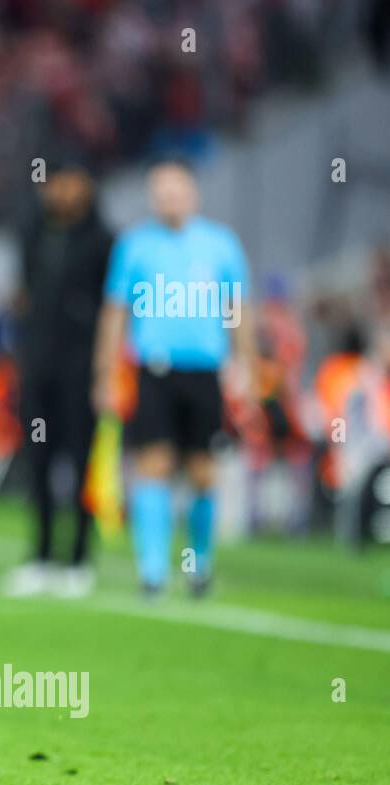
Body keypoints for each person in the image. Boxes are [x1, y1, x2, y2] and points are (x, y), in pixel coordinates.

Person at [92, 158, 258, 597]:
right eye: (160, 191)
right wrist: (106, 373)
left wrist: (250, 369)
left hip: (204, 371)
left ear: (192, 194)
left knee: (203, 471)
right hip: (154, 370)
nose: (169, 198)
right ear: (152, 197)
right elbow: (114, 313)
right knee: (154, 465)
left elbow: (239, 312)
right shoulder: (135, 245)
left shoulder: (221, 244)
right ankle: (152, 572)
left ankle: (198, 566)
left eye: (176, 190)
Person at [5, 157, 112, 598]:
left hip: (83, 369)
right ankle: (42, 555)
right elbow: (24, 297)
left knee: (83, 460)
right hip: (38, 366)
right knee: (39, 461)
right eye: (54, 182)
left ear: (86, 185)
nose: (62, 191)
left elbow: (112, 309)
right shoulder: (31, 234)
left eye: (71, 181)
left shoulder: (105, 241)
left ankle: (80, 559)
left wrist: (105, 371)